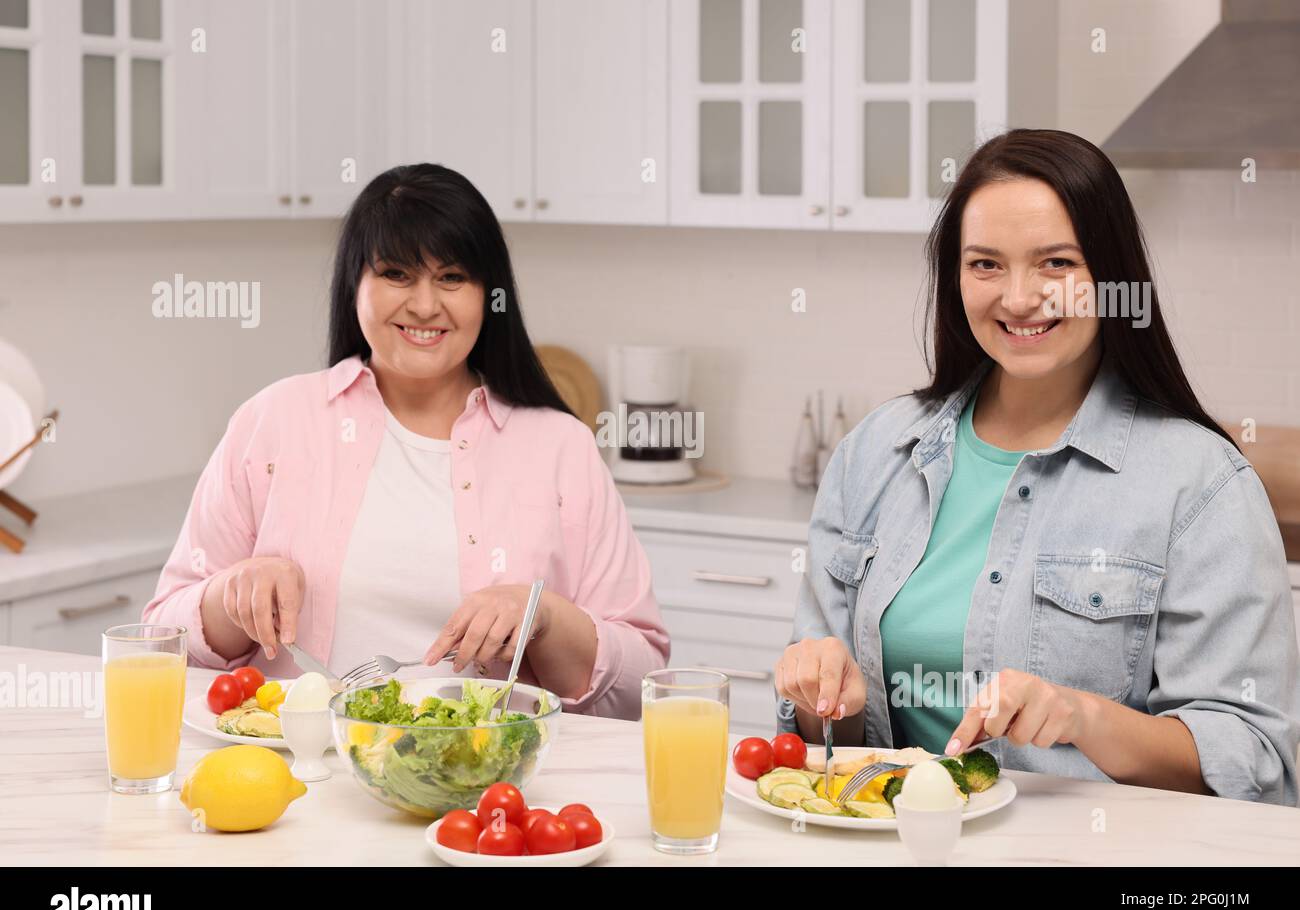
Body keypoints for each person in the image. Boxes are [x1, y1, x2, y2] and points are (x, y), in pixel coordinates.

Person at [773, 129, 1300, 804]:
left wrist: (1085, 718)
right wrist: (820, 694)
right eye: (986, 264)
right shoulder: (874, 453)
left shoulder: (1202, 485)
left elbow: (1254, 758)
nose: (1019, 298)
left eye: (1056, 263)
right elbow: (832, 743)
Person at [144, 163, 668, 719]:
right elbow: (156, 639)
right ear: (355, 285)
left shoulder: (561, 448)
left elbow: (645, 685)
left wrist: (544, 618)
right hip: (298, 781)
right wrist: (231, 595)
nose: (424, 305)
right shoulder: (273, 420)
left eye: (451, 278)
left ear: (490, 296)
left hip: (487, 790)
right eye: (396, 275)